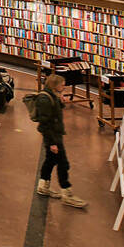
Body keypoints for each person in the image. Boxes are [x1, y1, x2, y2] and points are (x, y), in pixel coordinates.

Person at [33, 74, 86, 208]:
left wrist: (60, 102)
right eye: (62, 84)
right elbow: (45, 122)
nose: (64, 87)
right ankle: (66, 192)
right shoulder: (45, 99)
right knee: (63, 163)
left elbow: (54, 112)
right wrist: (52, 143)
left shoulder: (52, 96)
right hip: (53, 136)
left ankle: (43, 185)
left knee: (50, 161)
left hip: (55, 134)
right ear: (54, 84)